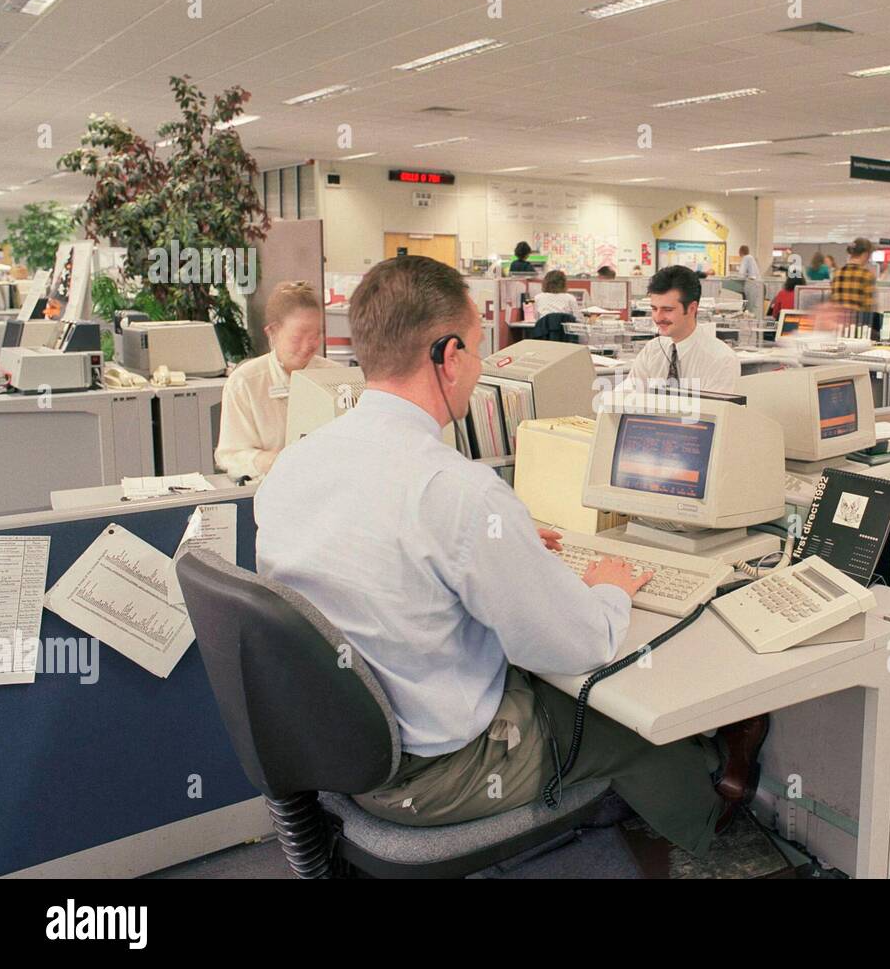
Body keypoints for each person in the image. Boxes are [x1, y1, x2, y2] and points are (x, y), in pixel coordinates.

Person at [255, 256, 766, 854]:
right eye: (475, 350)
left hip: (339, 748)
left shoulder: (298, 462)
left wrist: (505, 545)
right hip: (433, 773)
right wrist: (609, 588)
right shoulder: (457, 490)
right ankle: (719, 826)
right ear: (448, 358)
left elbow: (387, 558)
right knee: (617, 719)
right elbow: (579, 643)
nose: (477, 370)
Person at [215, 280, 339, 481]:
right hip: (266, 489)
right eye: (298, 337)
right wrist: (271, 461)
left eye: (316, 335)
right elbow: (229, 455)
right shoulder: (245, 382)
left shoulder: (334, 375)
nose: (309, 345)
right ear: (272, 332)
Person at [621, 265, 739, 394]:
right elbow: (625, 396)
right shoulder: (652, 350)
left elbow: (714, 412)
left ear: (692, 308)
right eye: (654, 309)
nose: (658, 317)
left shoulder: (721, 360)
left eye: (668, 310)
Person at [828, 237, 877, 314]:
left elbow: (832, 302)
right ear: (865, 254)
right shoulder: (867, 275)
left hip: (838, 322)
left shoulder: (836, 273)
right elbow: (869, 307)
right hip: (857, 323)